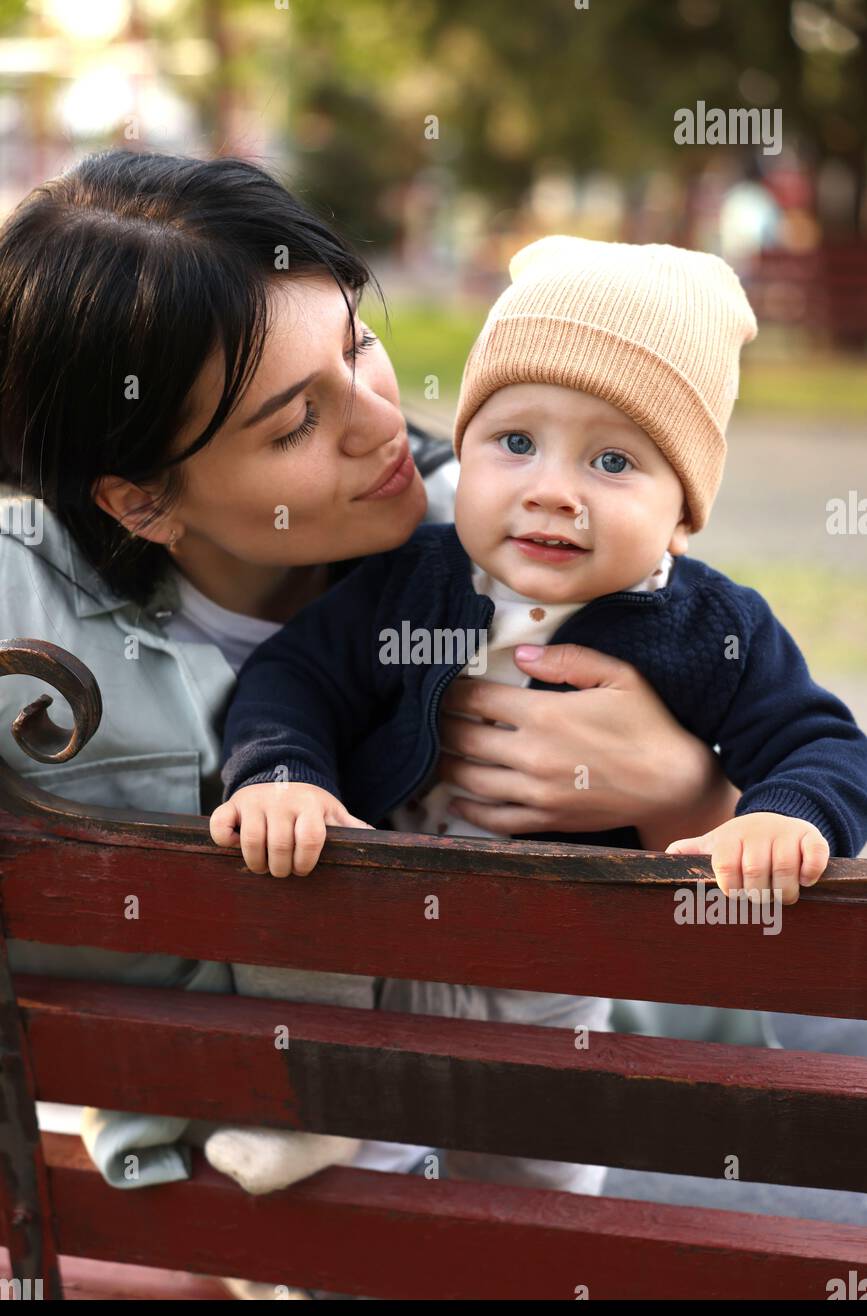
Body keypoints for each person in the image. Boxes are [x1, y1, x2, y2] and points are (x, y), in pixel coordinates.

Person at [0, 154, 741, 1206]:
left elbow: (755, 917)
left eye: (361, 344)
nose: (383, 421)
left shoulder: (512, 551)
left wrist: (683, 792)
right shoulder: (23, 615)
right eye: (296, 422)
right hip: (214, 1190)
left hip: (526, 1167)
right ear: (141, 503)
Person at [210, 234, 867, 1199]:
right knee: (291, 914)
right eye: (514, 443)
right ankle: (312, 1114)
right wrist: (282, 776)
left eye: (611, 460)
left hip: (545, 948)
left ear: (682, 513)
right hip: (373, 916)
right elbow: (295, 678)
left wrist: (781, 816)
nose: (551, 489)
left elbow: (819, 743)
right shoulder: (413, 581)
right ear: (464, 453)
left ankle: (536, 1226)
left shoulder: (711, 625)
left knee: (536, 1149)